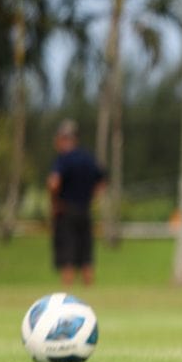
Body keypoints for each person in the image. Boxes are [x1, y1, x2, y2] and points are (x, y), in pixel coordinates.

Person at [47, 119, 106, 288]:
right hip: (85, 210)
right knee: (86, 253)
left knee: (68, 253)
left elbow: (54, 183)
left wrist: (55, 202)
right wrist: (91, 197)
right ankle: (89, 290)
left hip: (66, 210)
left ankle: (67, 294)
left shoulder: (63, 159)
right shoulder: (88, 158)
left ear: (63, 139)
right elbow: (102, 181)